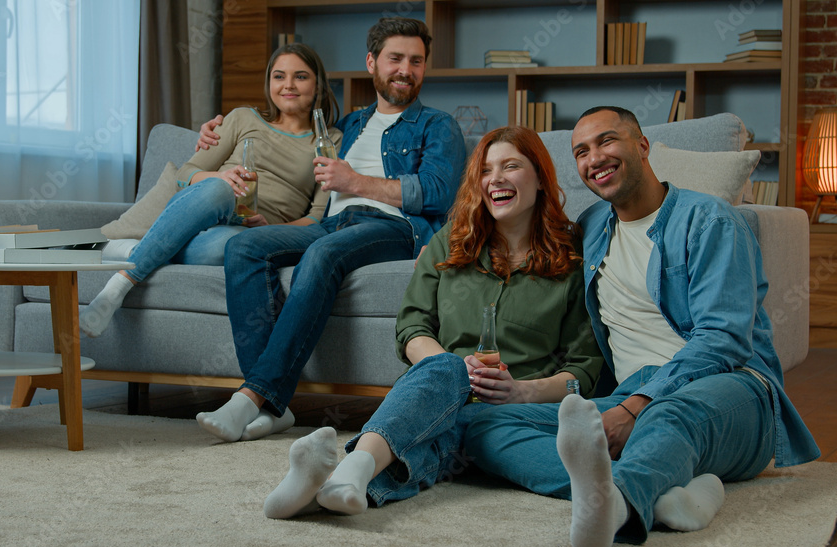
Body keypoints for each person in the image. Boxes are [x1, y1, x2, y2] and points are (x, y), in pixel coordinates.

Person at [463, 106, 821, 547]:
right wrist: (447, 252)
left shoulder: (709, 221)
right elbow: (525, 238)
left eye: (606, 141)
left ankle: (616, 505)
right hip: (630, 392)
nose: (594, 157)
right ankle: (659, 485)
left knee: (668, 416)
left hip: (729, 388)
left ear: (643, 146)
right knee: (480, 422)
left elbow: (723, 340)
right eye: (581, 151)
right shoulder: (592, 227)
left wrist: (635, 407)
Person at [259, 125, 605, 519]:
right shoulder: (450, 241)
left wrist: (519, 392)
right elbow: (412, 326)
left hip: (506, 410)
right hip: (438, 388)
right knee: (447, 371)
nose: (496, 179)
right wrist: (456, 369)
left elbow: (584, 369)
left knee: (455, 433)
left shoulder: (572, 258)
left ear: (541, 178)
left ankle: (336, 478)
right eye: (486, 170)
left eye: (511, 166)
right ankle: (347, 475)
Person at [194, 17, 467, 442]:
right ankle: (274, 407)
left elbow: (437, 190)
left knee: (322, 256)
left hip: (394, 227)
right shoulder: (350, 125)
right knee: (245, 247)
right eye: (395, 58)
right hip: (331, 223)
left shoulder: (438, 125)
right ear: (372, 62)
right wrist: (218, 133)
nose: (405, 70)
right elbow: (287, 122)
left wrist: (355, 183)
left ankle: (251, 397)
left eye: (416, 61)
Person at [79, 43, 342, 338]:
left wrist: (274, 229)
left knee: (228, 249)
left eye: (301, 77)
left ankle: (135, 250)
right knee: (219, 188)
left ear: (318, 83)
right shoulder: (243, 118)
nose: (288, 85)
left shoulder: (330, 140)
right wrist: (220, 176)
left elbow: (317, 215)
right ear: (269, 83)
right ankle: (119, 285)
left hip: (250, 231)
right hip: (207, 203)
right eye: (279, 76)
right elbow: (185, 174)